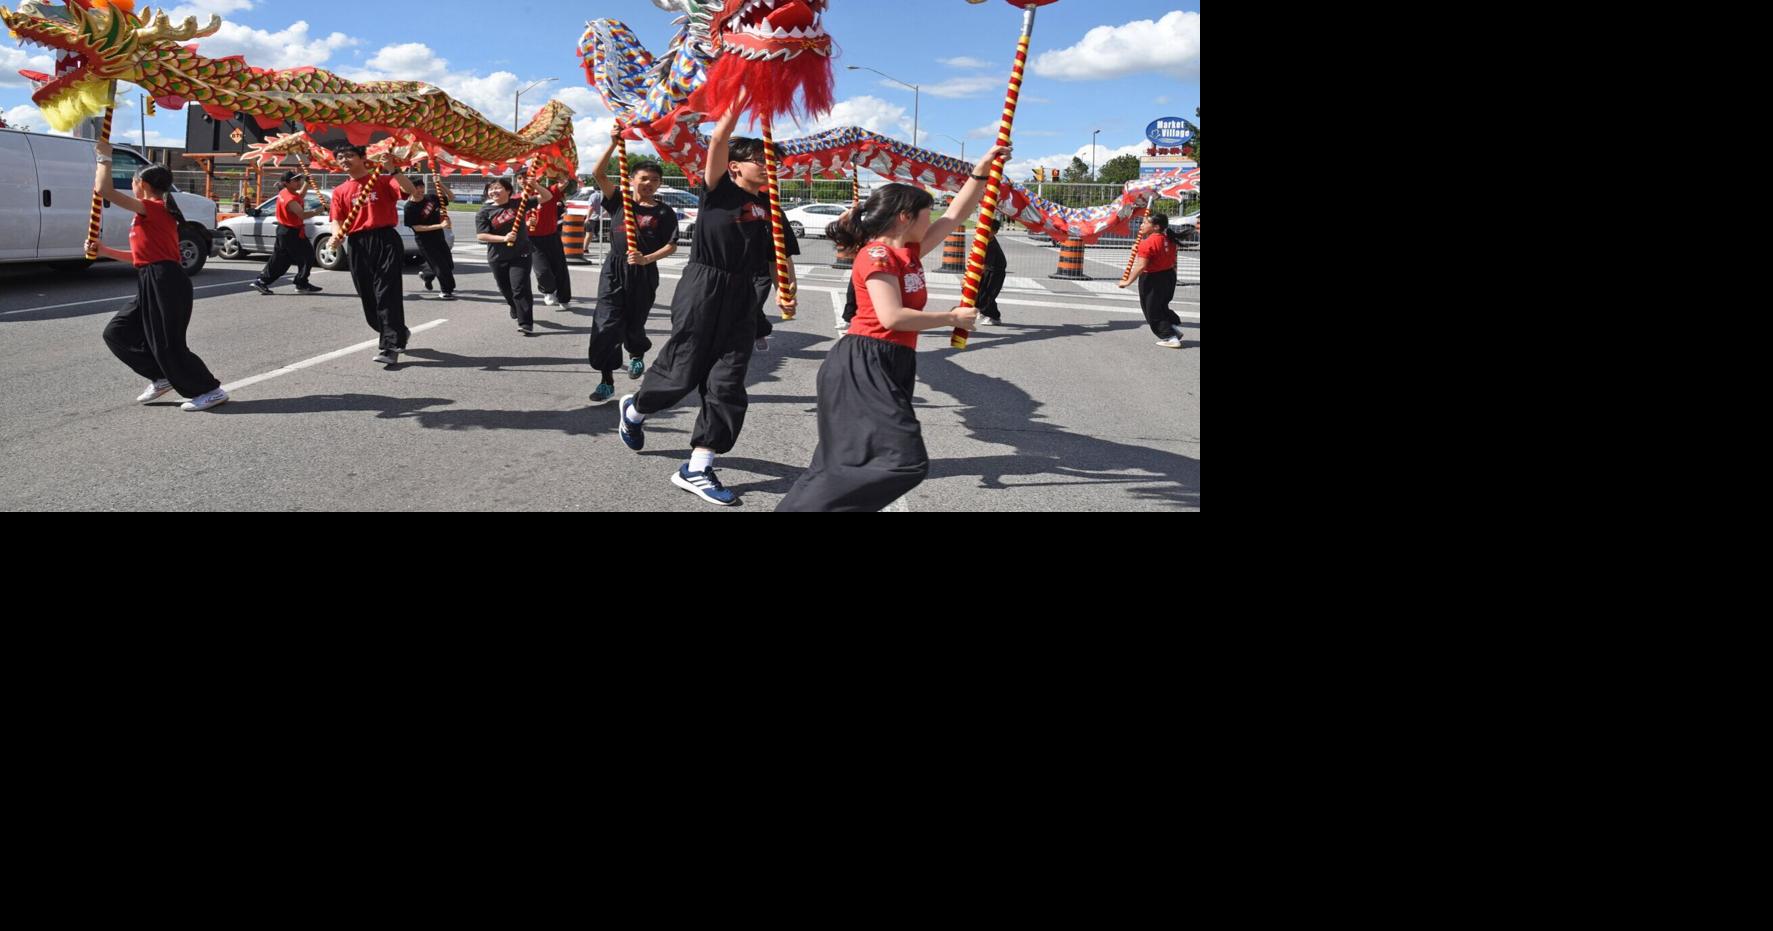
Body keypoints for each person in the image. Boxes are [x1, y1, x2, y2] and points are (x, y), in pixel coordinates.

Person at [776, 144, 1012, 513]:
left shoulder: (909, 251)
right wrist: (951, 318)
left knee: (839, 462)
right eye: (924, 212)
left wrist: (981, 173)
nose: (930, 218)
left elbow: (954, 214)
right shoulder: (877, 254)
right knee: (904, 462)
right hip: (864, 361)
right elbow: (892, 317)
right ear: (904, 216)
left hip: (892, 360)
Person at [616, 95, 794, 507]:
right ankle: (637, 409)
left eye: (775, 163)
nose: (771, 167)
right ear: (736, 167)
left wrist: (787, 288)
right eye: (762, 160)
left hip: (743, 296)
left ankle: (698, 464)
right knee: (683, 371)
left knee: (728, 381)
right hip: (704, 286)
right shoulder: (719, 192)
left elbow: (777, 257)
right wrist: (742, 97)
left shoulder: (773, 207)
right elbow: (718, 141)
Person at [86, 140, 228, 412]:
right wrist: (103, 250)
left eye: (134, 181)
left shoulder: (152, 207)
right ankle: (161, 377)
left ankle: (210, 390)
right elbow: (142, 257)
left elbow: (104, 190)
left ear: (143, 185)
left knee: (167, 343)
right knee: (117, 333)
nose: (133, 186)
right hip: (152, 278)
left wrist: (104, 158)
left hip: (166, 281)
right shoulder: (151, 213)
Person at [586, 133, 677, 404]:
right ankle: (606, 379)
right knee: (606, 324)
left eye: (655, 180)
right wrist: (614, 142)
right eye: (644, 178)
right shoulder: (619, 201)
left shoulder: (664, 212)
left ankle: (636, 354)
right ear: (632, 179)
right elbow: (598, 173)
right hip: (614, 268)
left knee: (634, 323)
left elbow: (672, 245)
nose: (649, 183)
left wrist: (646, 259)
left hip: (643, 272)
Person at [329, 145, 419, 364]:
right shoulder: (340, 191)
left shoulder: (382, 180)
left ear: (362, 158)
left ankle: (391, 346)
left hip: (385, 239)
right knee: (368, 296)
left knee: (386, 293)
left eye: (350, 155)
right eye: (340, 157)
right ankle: (396, 331)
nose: (345, 160)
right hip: (358, 244)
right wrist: (336, 235)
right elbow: (337, 219)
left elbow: (410, 190)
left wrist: (393, 170)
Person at [475, 177, 551, 336]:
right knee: (506, 290)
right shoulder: (484, 211)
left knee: (520, 288)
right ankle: (514, 306)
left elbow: (547, 197)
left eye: (497, 188)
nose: (493, 191)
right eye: (490, 188)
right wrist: (503, 238)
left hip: (520, 254)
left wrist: (535, 185)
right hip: (497, 256)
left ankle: (525, 323)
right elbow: (481, 236)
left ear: (508, 190)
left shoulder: (519, 203)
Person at [1118, 212, 1190, 349]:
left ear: (1156, 227)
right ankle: (1173, 326)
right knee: (1161, 305)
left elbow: (1141, 266)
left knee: (1152, 310)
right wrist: (1139, 249)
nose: (1141, 226)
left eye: (1145, 223)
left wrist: (1127, 282)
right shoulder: (1169, 239)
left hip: (1153, 279)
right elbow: (1161, 255)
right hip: (1168, 276)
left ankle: (1169, 336)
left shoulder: (1149, 243)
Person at [250, 170, 324, 295]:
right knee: (306, 256)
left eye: (299, 179)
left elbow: (300, 196)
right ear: (286, 183)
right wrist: (320, 209)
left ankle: (264, 281)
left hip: (288, 231)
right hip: (290, 232)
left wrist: (306, 183)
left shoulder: (286, 192)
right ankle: (299, 283)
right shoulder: (289, 198)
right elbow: (302, 214)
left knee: (283, 259)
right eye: (295, 180)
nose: (298, 182)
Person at [523, 168, 572, 307]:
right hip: (533, 240)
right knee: (542, 270)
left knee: (559, 269)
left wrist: (554, 167)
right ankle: (548, 291)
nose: (526, 181)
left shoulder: (550, 191)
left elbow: (564, 181)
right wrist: (525, 224)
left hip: (551, 237)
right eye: (521, 178)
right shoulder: (517, 199)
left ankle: (564, 298)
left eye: (530, 178)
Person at [406, 179, 456, 300]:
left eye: (421, 187)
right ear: (409, 189)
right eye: (416, 187)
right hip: (425, 241)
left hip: (439, 237)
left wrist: (440, 184)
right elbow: (417, 228)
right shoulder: (410, 207)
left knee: (448, 264)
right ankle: (446, 290)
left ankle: (427, 275)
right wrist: (440, 225)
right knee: (440, 266)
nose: (420, 190)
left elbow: (451, 197)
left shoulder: (431, 198)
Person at [974, 215, 1007, 326]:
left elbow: (984, 265)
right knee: (979, 293)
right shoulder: (984, 240)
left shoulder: (992, 246)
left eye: (987, 230)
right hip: (987, 271)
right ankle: (983, 311)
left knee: (987, 296)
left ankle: (994, 317)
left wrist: (973, 276)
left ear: (994, 232)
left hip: (995, 273)